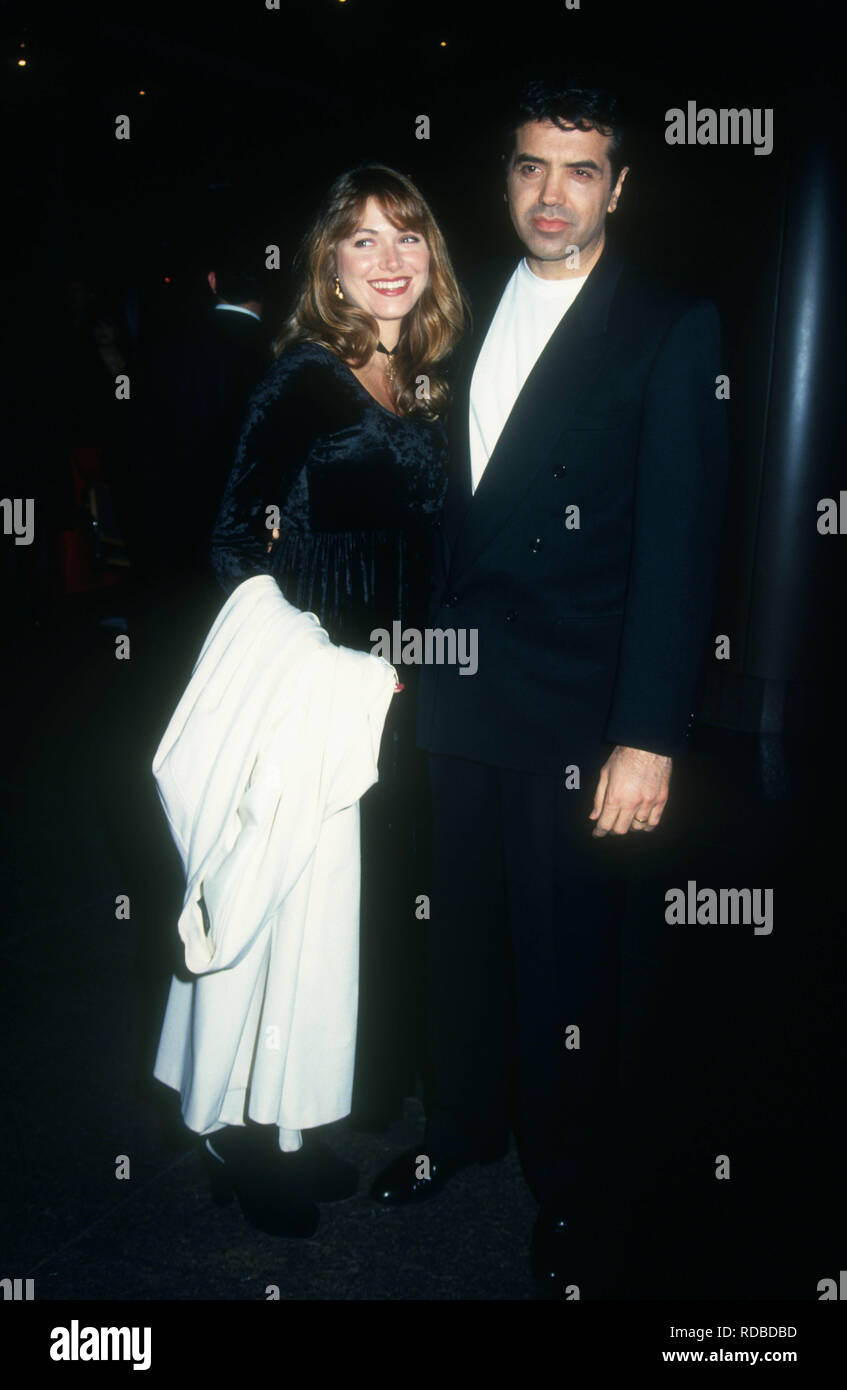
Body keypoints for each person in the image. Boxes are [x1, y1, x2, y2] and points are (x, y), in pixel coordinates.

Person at [370, 77, 730, 1296]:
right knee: (455, 937)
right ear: (507, 179)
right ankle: (459, 1126)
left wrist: (648, 733)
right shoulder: (455, 307)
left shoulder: (670, 327)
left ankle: (570, 1188)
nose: (552, 194)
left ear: (618, 187)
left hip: (579, 708)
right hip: (455, 693)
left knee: (564, 963)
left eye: (580, 170)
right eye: (531, 167)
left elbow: (682, 546)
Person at [199, 163, 466, 1234]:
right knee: (281, 913)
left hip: (395, 695)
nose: (390, 259)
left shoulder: (426, 382)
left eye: (407, 238)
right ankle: (247, 1147)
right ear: (331, 266)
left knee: (337, 920)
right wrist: (307, 664)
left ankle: (294, 1120)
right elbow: (229, 541)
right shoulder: (305, 378)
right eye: (363, 241)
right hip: (317, 685)